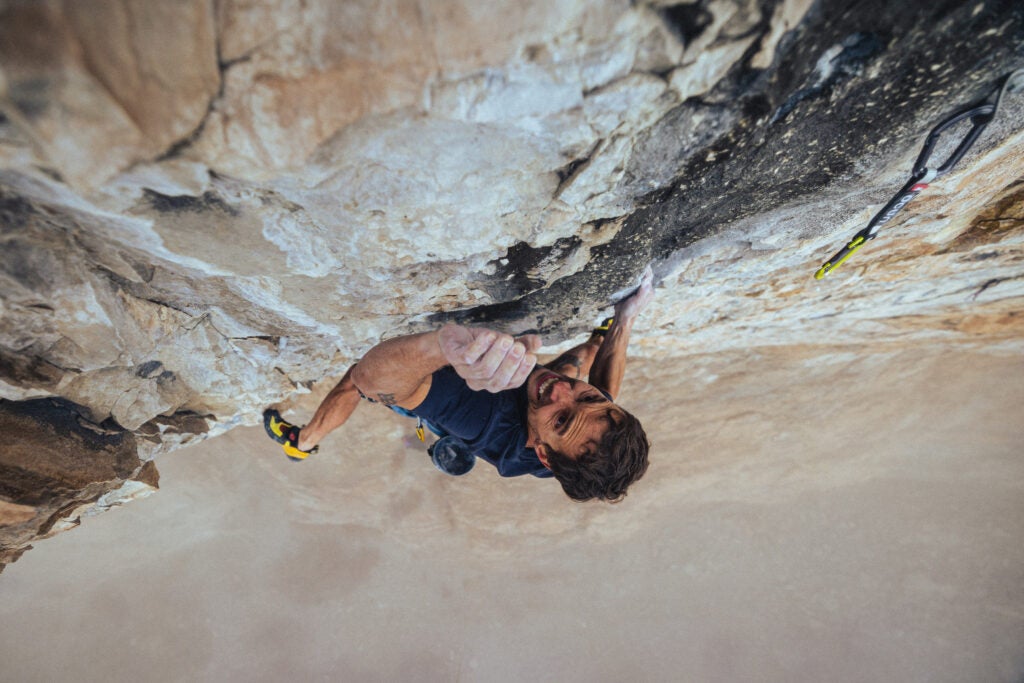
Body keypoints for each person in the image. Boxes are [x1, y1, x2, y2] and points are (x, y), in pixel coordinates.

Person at [264, 267, 655, 502]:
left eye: (562, 421)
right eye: (588, 398)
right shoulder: (589, 436)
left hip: (481, 411)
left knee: (353, 383)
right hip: (546, 426)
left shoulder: (483, 420)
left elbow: (372, 378)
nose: (560, 390)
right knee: (584, 357)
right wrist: (624, 321)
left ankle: (302, 444)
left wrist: (445, 348)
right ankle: (596, 348)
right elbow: (603, 396)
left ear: (544, 457)